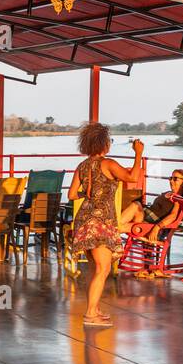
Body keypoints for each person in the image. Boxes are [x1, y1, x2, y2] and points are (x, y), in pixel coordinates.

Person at [66, 123, 145, 328]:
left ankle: (95, 308)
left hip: (84, 218)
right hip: (101, 221)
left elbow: (72, 195)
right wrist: (138, 154)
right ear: (104, 144)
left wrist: (88, 194)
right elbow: (132, 178)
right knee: (103, 268)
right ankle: (91, 313)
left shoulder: (82, 166)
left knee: (95, 269)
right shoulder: (108, 164)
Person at [120, 169, 183, 242]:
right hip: (145, 218)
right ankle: (113, 233)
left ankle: (112, 231)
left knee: (135, 206)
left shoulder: (178, 198)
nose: (171, 181)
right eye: (170, 178)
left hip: (151, 225)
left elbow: (173, 216)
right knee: (119, 224)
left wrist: (157, 227)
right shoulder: (169, 193)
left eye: (175, 179)